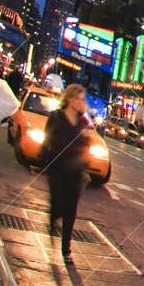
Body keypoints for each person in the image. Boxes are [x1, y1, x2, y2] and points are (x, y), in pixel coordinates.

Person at [43, 83, 93, 265]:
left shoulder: (83, 122)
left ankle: (66, 250)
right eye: (78, 98)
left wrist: (85, 168)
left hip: (75, 171)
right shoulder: (56, 117)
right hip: (57, 167)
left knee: (71, 210)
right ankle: (53, 218)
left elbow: (89, 143)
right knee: (58, 202)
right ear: (69, 99)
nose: (81, 102)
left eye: (83, 99)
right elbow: (47, 138)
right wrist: (43, 159)